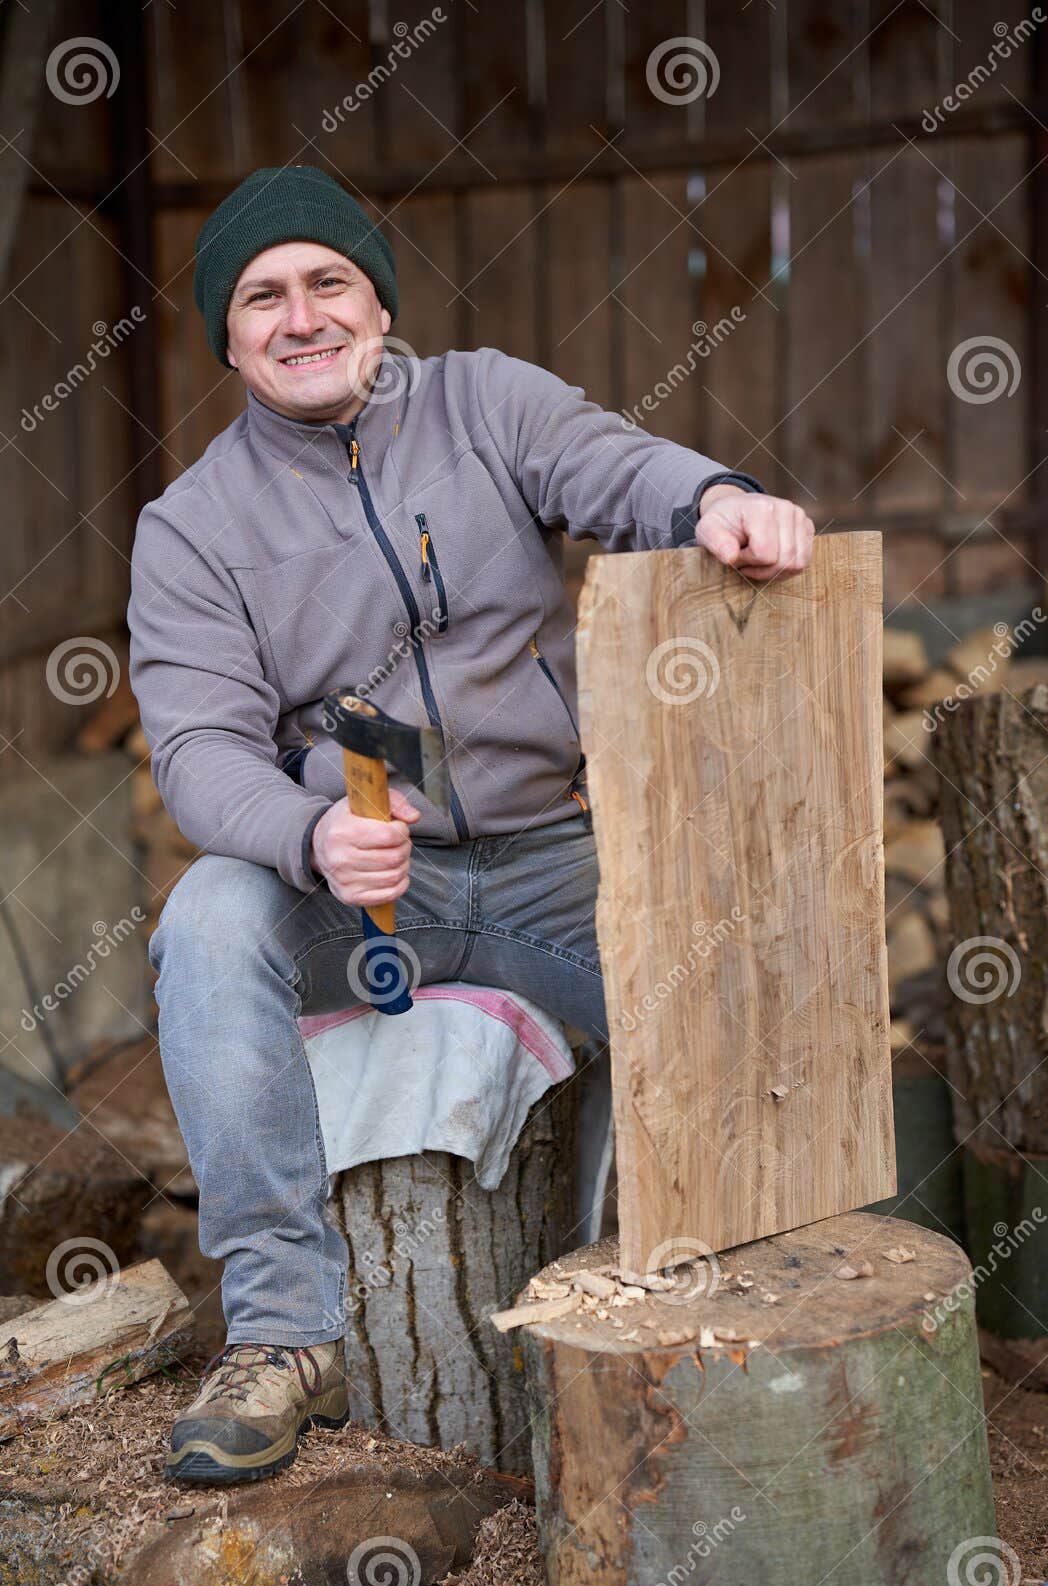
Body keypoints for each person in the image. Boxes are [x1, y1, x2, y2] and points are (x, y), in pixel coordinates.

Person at [128, 165, 813, 1486]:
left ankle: (743, 1276)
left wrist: (709, 501)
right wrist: (307, 835)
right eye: (262, 297)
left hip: (555, 860)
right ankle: (283, 1332)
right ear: (228, 336)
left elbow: (610, 463)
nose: (301, 314)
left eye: (329, 279)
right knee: (209, 919)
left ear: (378, 304)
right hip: (372, 890)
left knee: (728, 958)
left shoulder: (484, 400)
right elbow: (201, 748)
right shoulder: (192, 528)